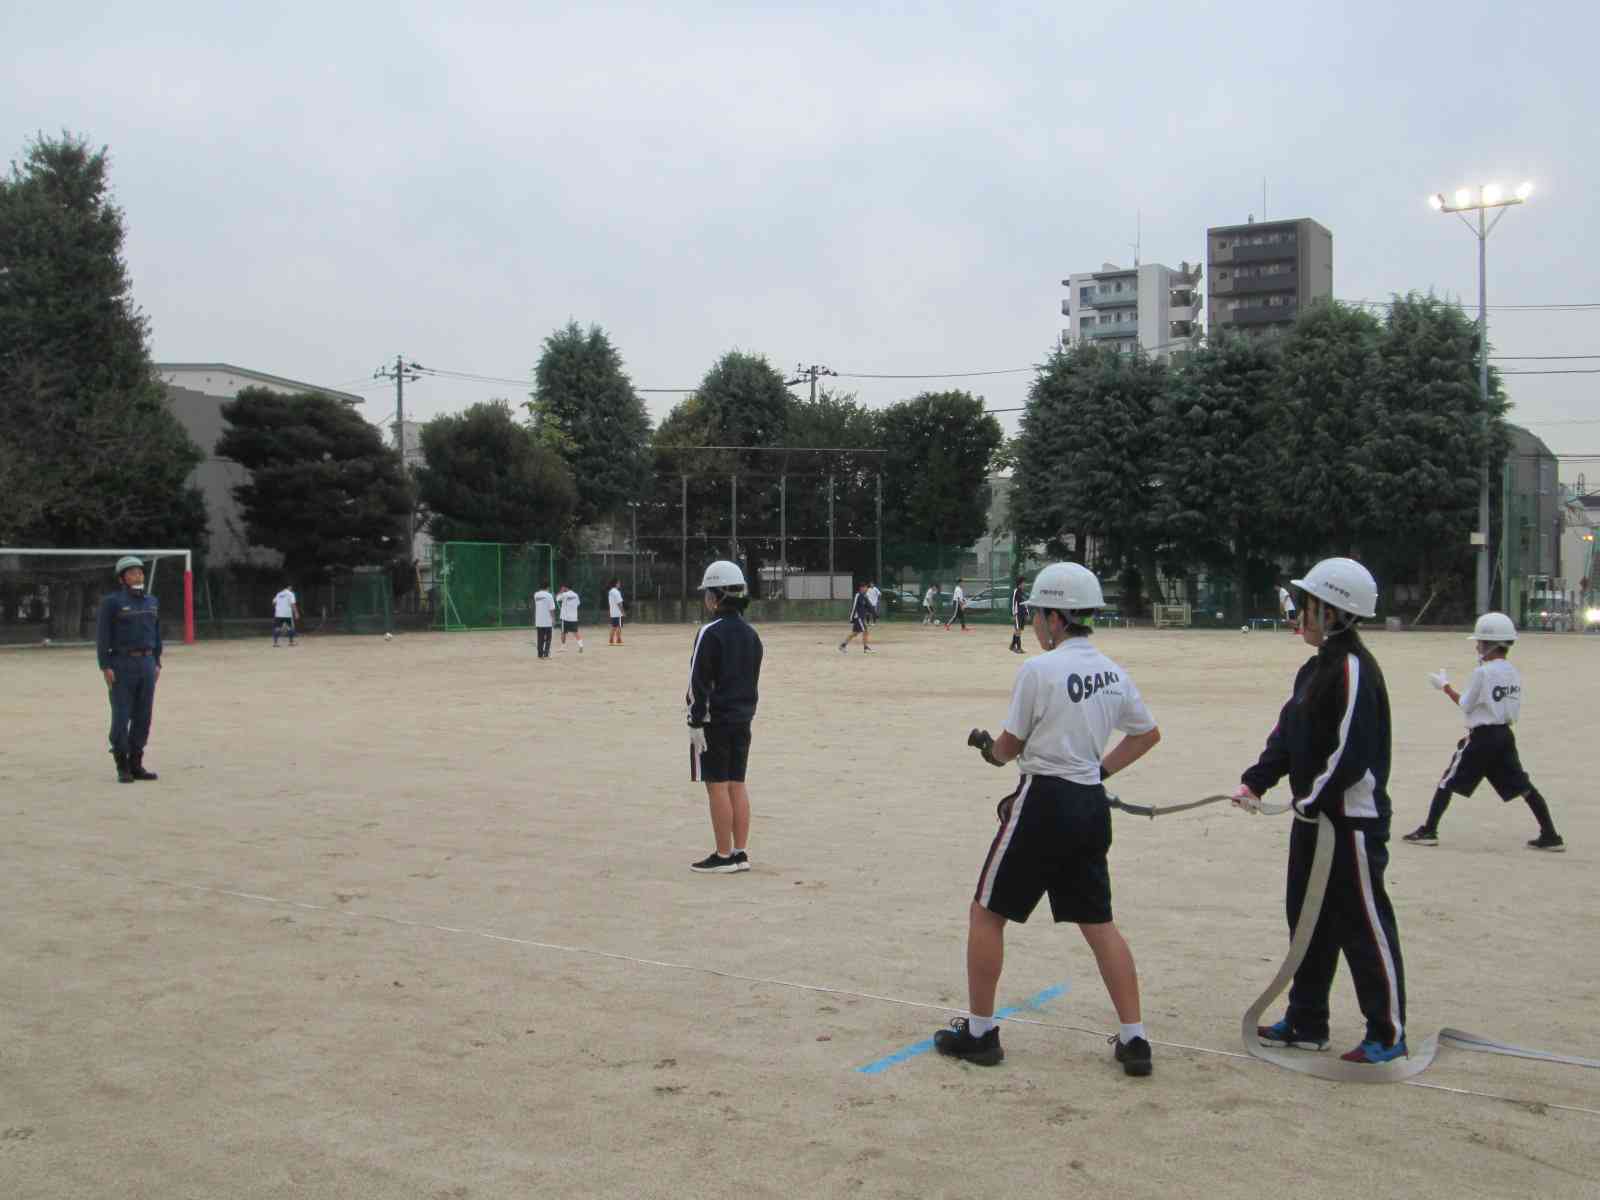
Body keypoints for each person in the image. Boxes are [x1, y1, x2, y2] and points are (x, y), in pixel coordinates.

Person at [935, 562, 1161, 1076]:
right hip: (1088, 805)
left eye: (1038, 613)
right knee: (1100, 924)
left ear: (1057, 618)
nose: (1035, 622)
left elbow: (1009, 748)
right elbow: (1146, 735)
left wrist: (990, 752)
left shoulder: (1039, 671)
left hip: (1042, 803)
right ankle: (1135, 1039)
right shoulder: (1112, 671)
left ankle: (980, 1032)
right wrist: (1098, 771)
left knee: (987, 913)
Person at [1232, 557, 1409, 1066]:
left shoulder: (1353, 668)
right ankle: (1308, 1021)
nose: (1298, 614)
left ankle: (1388, 1030)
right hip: (1314, 820)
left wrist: (1314, 798)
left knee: (1363, 922)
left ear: (1333, 612)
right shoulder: (1315, 668)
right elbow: (1288, 735)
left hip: (1349, 824)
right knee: (1307, 921)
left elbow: (1349, 752)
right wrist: (1257, 780)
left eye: (1307, 605)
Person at [1403, 613, 1564, 851]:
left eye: (1479, 642)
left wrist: (1445, 687)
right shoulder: (1512, 671)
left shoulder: (1482, 672)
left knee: (1447, 781)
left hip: (1482, 737)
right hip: (1505, 736)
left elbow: (1466, 705)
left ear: (1489, 645)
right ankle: (1550, 834)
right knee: (1523, 785)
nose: (1477, 646)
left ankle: (1429, 830)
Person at [686, 561, 763, 874]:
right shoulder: (752, 634)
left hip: (714, 722)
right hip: (743, 719)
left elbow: (697, 682)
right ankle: (740, 852)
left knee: (716, 786)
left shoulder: (710, 632)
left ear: (716, 596)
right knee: (737, 784)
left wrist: (694, 720)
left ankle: (722, 854)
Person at [95, 556, 162, 784]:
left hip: (147, 663)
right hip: (122, 664)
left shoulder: (152, 601)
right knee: (121, 715)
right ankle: (122, 764)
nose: (138, 576)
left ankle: (136, 763)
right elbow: (102, 636)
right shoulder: (112, 602)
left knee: (144, 715)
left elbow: (156, 633)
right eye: (132, 573)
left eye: (140, 572)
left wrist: (157, 662)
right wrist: (105, 665)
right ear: (122, 578)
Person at [839, 581, 875, 654]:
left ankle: (843, 646)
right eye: (865, 588)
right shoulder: (858, 595)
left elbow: (868, 606)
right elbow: (854, 607)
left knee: (854, 633)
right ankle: (866, 648)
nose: (867, 589)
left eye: (867, 588)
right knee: (865, 631)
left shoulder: (864, 596)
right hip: (858, 617)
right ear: (861, 588)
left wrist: (874, 613)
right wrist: (851, 618)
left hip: (860, 618)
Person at [555, 583, 583, 652]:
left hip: (565, 618)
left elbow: (557, 599)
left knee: (563, 632)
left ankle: (563, 647)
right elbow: (578, 604)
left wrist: (561, 591)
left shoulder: (564, 594)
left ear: (566, 588)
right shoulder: (576, 595)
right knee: (576, 632)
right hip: (574, 617)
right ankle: (581, 645)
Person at [272, 582, 300, 647]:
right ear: (289, 587)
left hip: (278, 614)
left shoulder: (279, 594)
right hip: (287, 614)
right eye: (291, 587)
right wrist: (296, 613)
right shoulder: (291, 594)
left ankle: (275, 643)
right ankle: (291, 642)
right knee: (290, 628)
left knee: (277, 628)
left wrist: (278, 607)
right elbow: (293, 604)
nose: (291, 588)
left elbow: (273, 602)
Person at [532, 584, 556, 659]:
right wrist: (553, 619)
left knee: (540, 638)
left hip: (539, 621)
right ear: (547, 587)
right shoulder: (549, 595)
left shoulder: (536, 595)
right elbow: (551, 609)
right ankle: (546, 654)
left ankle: (540, 654)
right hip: (547, 621)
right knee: (548, 639)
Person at [1008, 575, 1027, 654]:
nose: (1024, 584)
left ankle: (1012, 646)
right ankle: (1018, 648)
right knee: (1018, 630)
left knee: (1019, 630)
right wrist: (1013, 613)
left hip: (1022, 614)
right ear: (1020, 583)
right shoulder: (1016, 591)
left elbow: (1025, 603)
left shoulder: (1022, 592)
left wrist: (1027, 613)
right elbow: (1013, 603)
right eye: (1023, 583)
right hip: (1017, 613)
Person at [607, 578, 626, 646]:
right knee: (619, 626)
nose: (619, 584)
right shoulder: (617, 592)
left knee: (614, 626)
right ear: (616, 584)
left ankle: (611, 640)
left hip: (613, 612)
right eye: (618, 583)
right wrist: (623, 612)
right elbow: (619, 603)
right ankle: (618, 639)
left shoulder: (610, 592)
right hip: (618, 613)